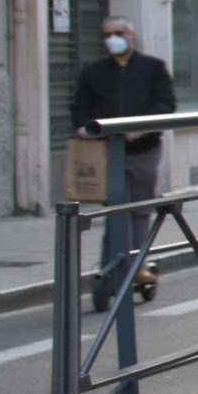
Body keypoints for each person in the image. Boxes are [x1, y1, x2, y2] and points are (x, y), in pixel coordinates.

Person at [72, 15, 175, 285]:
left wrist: (143, 126)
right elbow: (80, 105)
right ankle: (116, 263)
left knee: (139, 208)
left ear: (131, 34)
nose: (112, 39)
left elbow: (166, 103)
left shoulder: (152, 68)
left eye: (117, 33)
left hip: (144, 149)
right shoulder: (94, 71)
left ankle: (135, 263)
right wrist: (83, 127)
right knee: (116, 208)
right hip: (107, 152)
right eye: (107, 35)